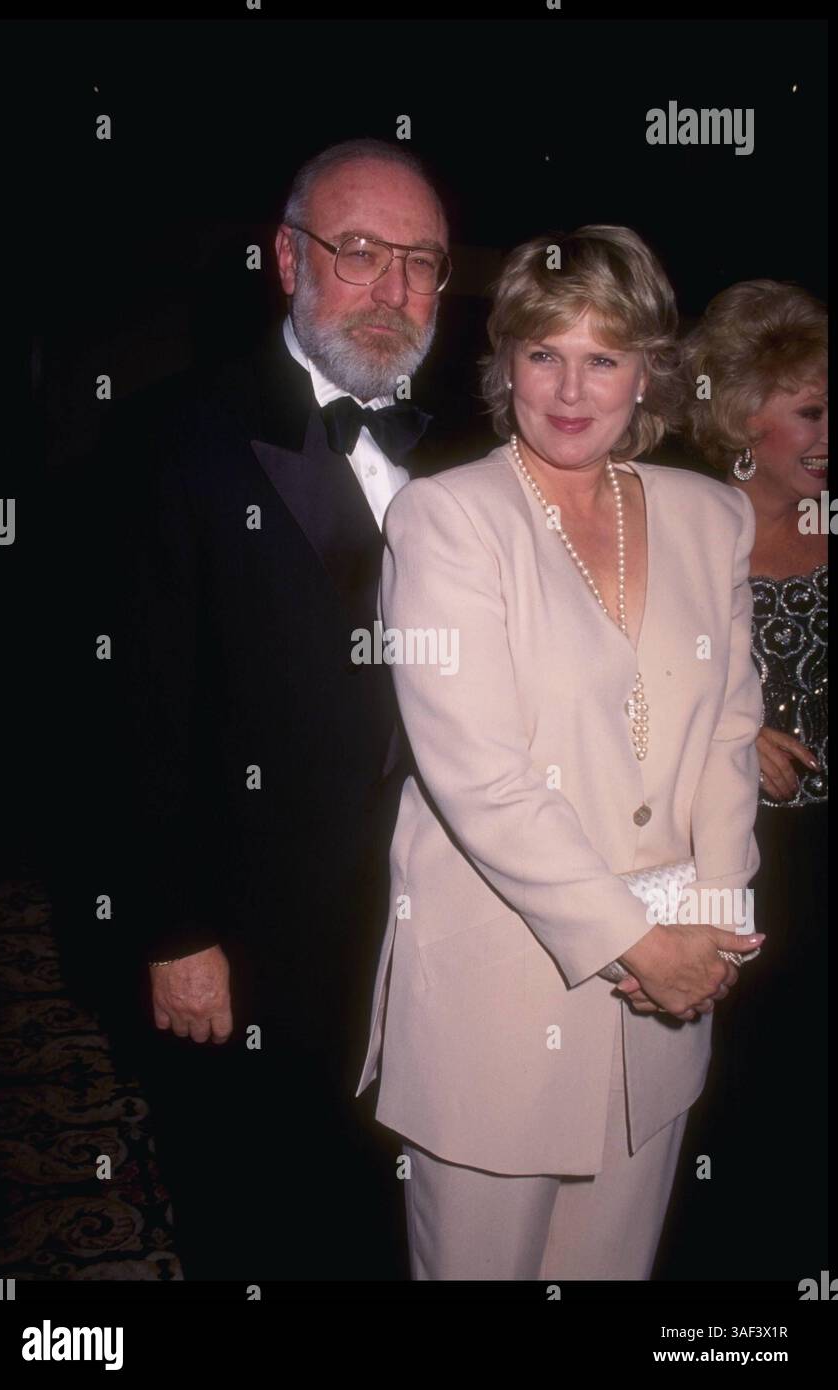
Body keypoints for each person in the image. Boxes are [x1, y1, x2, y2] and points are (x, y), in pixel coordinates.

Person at [356, 226, 765, 1280]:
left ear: (650, 371)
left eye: (603, 356)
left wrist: (714, 918)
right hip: (504, 989)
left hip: (668, 990)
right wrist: (641, 943)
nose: (571, 389)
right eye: (544, 353)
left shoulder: (707, 514)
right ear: (506, 365)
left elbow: (725, 727)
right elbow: (479, 780)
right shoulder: (445, 520)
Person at [85, 137, 452, 1280]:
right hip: (248, 921)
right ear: (287, 260)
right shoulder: (164, 438)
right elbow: (124, 714)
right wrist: (172, 927)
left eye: (421, 262)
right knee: (250, 1195)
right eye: (357, 252)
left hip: (431, 914)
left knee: (389, 1197)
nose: (391, 289)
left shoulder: (479, 444)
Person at [657, 280, 827, 1280]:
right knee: (733, 1096)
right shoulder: (683, 522)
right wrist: (732, 728)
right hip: (737, 856)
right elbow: (621, 687)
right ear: (741, 414)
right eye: (811, 410)